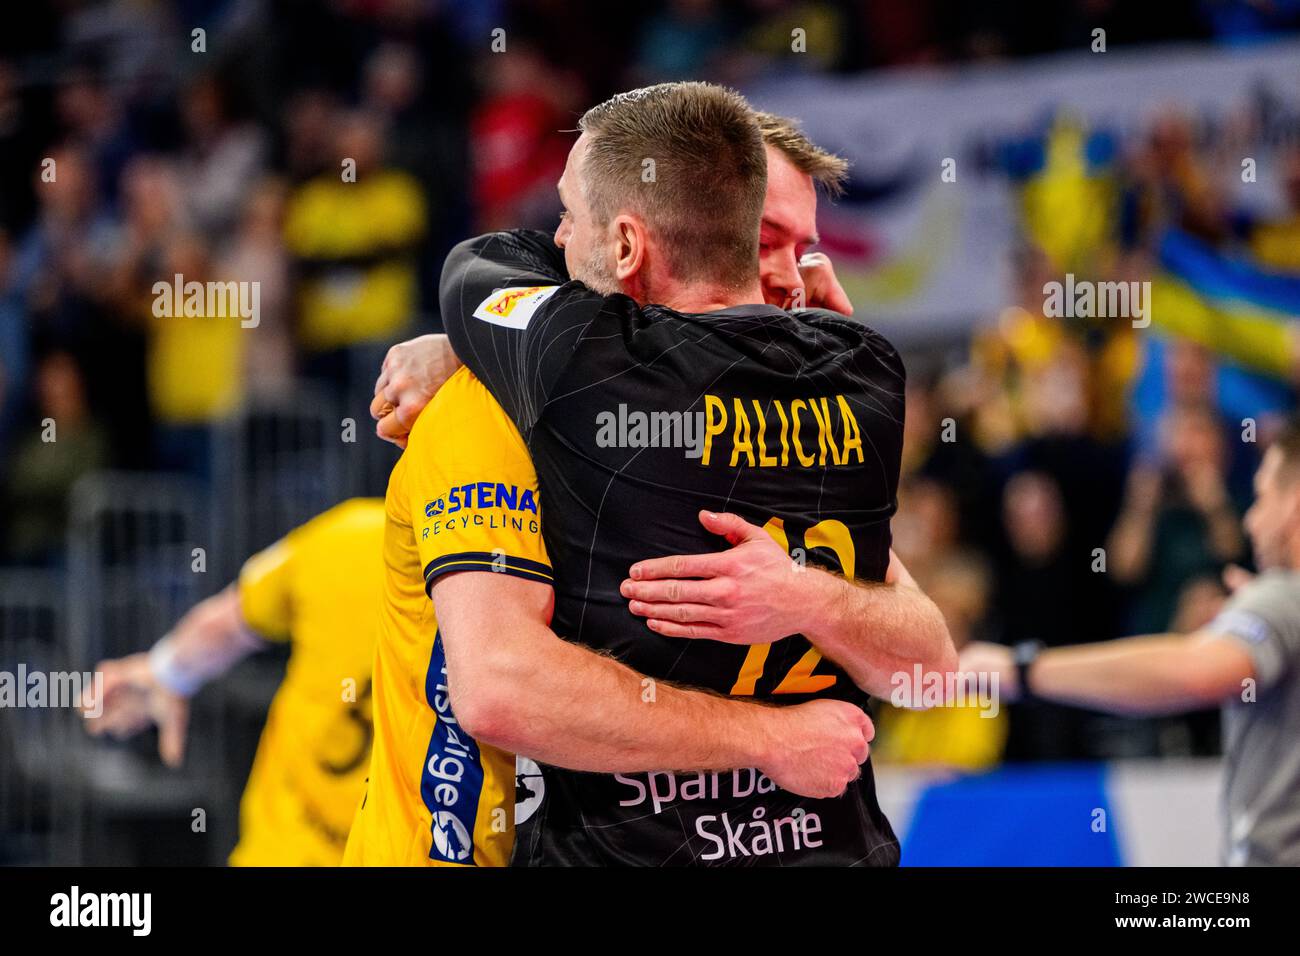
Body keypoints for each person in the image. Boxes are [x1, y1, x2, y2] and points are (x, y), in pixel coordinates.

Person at [423, 82, 953, 866]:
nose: (789, 276)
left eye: (804, 249)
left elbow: (929, 667)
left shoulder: (579, 361)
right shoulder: (869, 368)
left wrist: (801, 594)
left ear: (630, 243)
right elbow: (503, 682)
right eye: (763, 236)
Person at [961, 417, 1300, 865]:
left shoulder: (1282, 597)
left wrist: (1018, 670)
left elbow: (1193, 674)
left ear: (1294, 504)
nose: (1252, 521)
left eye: (1261, 498)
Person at [82, 499, 384, 866]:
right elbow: (230, 622)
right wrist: (164, 674)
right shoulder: (357, 539)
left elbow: (224, 625)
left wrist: (166, 671)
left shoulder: (352, 535)